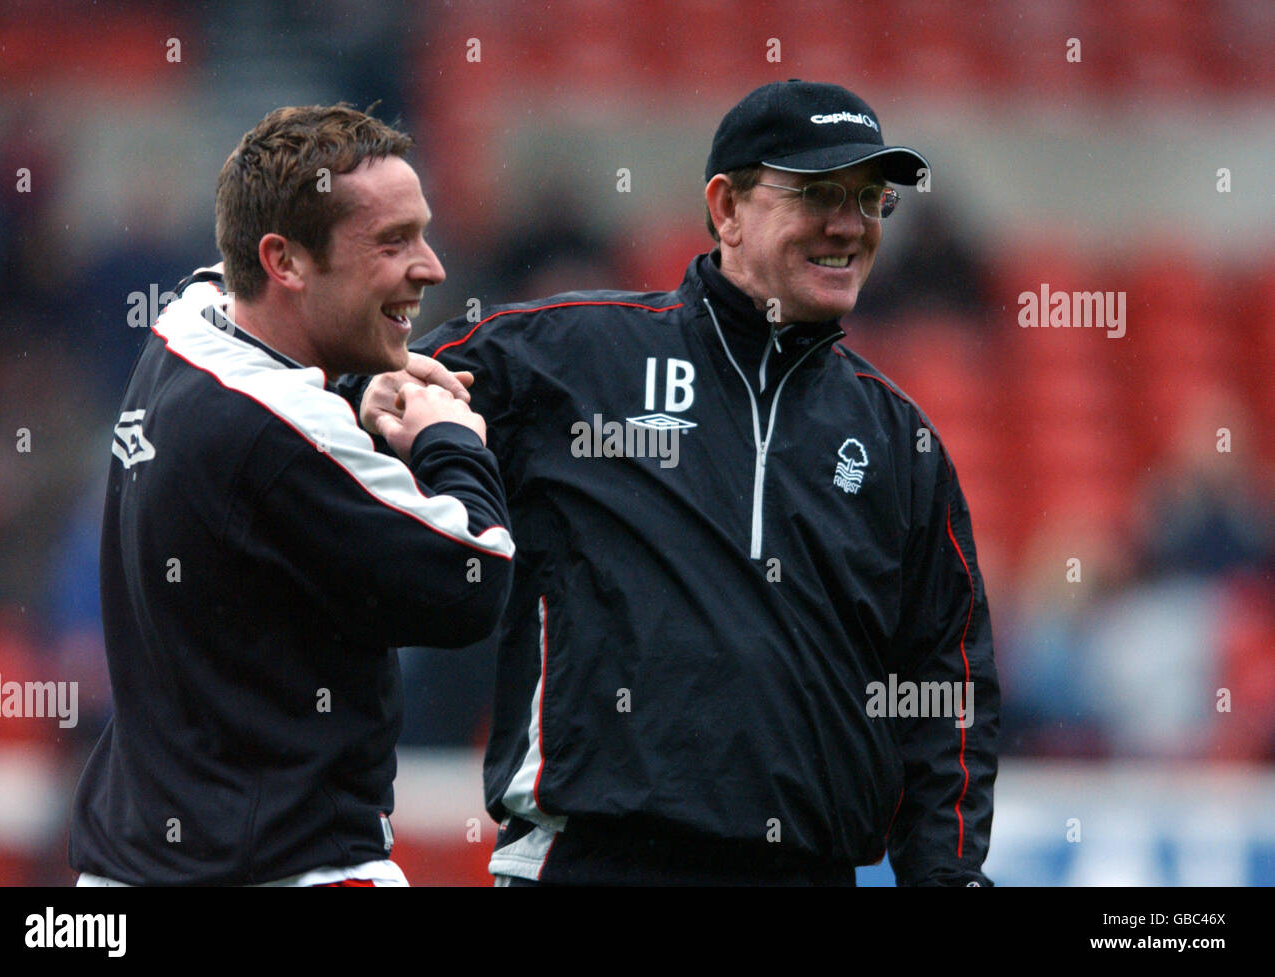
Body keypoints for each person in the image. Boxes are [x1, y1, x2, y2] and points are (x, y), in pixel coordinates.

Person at [355, 80, 1000, 885]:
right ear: (726, 208)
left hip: (811, 870)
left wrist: (947, 876)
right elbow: (359, 402)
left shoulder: (899, 440)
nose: (849, 224)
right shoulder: (565, 358)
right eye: (818, 194)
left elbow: (942, 686)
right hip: (591, 862)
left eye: (870, 200)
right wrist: (363, 393)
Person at [68, 105, 515, 886]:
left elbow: (279, 415)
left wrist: (348, 394)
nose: (432, 267)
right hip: (282, 866)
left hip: (126, 873)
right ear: (285, 260)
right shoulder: (276, 430)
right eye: (393, 241)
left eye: (424, 231)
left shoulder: (188, 318)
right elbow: (473, 574)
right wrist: (452, 437)